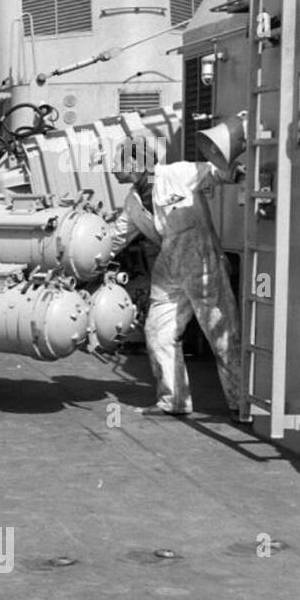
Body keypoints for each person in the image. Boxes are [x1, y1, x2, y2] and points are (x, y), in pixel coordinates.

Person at [108, 124, 248, 423]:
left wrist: (237, 171)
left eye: (119, 161)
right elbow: (115, 237)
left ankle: (241, 403)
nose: (113, 168)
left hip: (203, 263)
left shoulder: (177, 174)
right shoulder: (133, 203)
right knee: (158, 331)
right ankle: (173, 400)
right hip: (169, 268)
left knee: (223, 335)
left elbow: (215, 172)